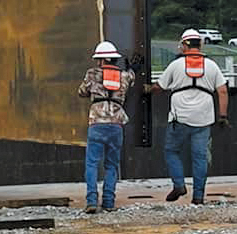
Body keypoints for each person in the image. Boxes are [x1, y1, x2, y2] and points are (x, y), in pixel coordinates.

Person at [153, 28, 228, 204]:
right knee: (200, 157)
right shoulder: (212, 65)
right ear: (200, 44)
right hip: (203, 118)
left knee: (171, 151)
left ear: (184, 45)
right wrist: (223, 115)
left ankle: (179, 184)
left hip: (180, 117)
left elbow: (160, 87)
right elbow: (223, 91)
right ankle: (198, 196)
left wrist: (149, 89)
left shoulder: (176, 65)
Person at [76, 40, 135, 214]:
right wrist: (131, 69)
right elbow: (131, 78)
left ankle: (92, 201)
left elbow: (81, 92)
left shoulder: (92, 74)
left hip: (97, 123)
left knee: (92, 163)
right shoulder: (124, 76)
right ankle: (109, 202)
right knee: (111, 165)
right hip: (116, 124)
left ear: (101, 60)